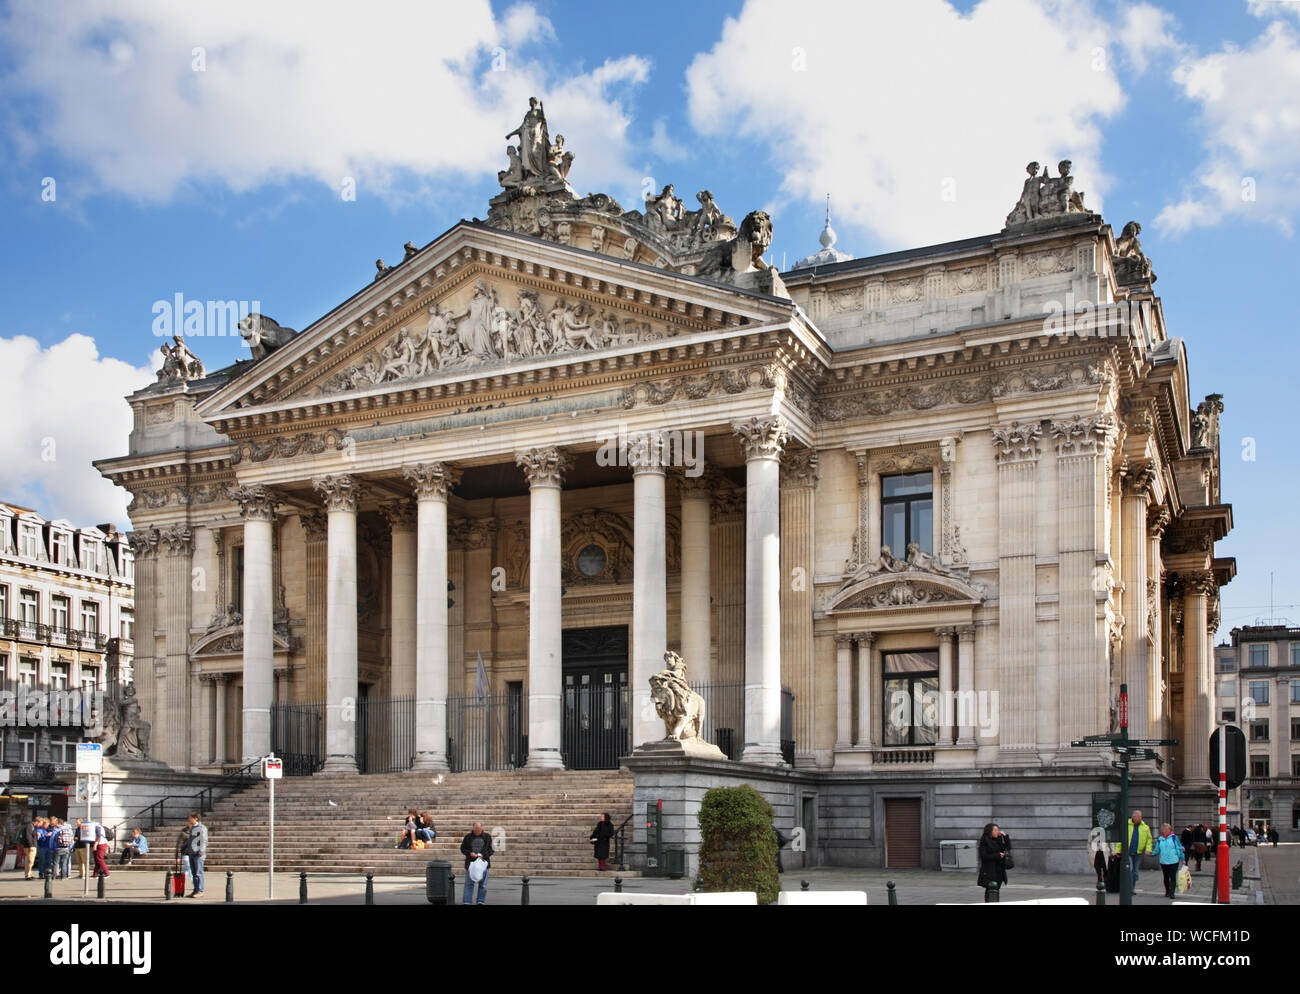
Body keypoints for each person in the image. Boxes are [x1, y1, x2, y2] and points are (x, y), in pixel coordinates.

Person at [1113, 810, 1153, 898]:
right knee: (1130, 870)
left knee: (1135, 872)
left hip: (1138, 853)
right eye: (1139, 817)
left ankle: (1132, 888)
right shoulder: (1126, 825)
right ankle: (1129, 889)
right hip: (1128, 852)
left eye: (1141, 817)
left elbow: (1149, 840)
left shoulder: (1145, 827)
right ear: (1133, 817)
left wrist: (1148, 849)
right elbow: (1120, 839)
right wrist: (1117, 850)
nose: (1140, 818)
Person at [460, 822, 493, 905]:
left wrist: (483, 855)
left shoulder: (487, 837)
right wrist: (470, 853)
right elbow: (463, 848)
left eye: (479, 830)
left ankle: (480, 901)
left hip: (483, 863)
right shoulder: (468, 837)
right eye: (475, 830)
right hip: (471, 863)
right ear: (473, 829)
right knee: (469, 884)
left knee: (483, 885)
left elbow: (491, 850)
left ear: (481, 829)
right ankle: (467, 901)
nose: (477, 832)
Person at [976, 822, 1010, 900]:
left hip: (999, 870)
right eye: (995, 830)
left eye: (998, 830)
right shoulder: (984, 841)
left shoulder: (998, 839)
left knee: (996, 890)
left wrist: (1005, 837)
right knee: (990, 890)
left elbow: (1008, 848)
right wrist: (997, 855)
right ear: (989, 831)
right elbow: (984, 856)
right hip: (989, 871)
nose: (997, 832)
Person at [1153, 823, 1185, 899]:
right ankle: (1167, 891)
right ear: (1162, 831)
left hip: (1174, 861)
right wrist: (1151, 853)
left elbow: (1179, 848)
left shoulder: (1174, 838)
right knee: (1166, 878)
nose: (1166, 831)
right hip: (1164, 861)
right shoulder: (1160, 839)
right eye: (1164, 829)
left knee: (1172, 877)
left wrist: (1182, 859)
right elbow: (1157, 850)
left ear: (1170, 830)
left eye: (1167, 829)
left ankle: (1172, 893)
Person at [183, 812, 207, 897]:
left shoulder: (201, 828)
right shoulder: (192, 828)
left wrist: (201, 852)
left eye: (190, 818)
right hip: (191, 853)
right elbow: (190, 840)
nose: (189, 820)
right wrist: (184, 848)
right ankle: (195, 890)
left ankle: (200, 891)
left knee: (198, 872)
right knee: (193, 873)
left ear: (196, 818)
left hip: (198, 854)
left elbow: (203, 840)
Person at [22, 816, 39, 880]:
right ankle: (28, 875)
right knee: (30, 861)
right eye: (39, 823)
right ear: (36, 822)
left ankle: (29, 874)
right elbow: (28, 836)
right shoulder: (29, 826)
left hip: (31, 846)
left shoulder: (32, 826)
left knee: (30, 861)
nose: (39, 825)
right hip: (30, 846)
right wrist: (31, 845)